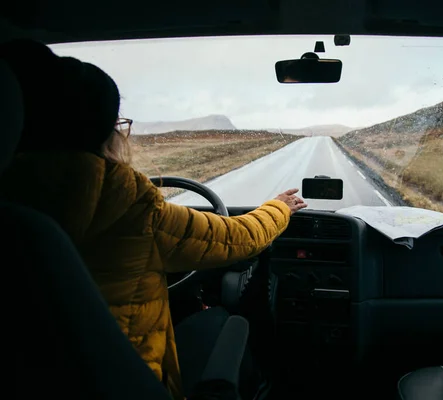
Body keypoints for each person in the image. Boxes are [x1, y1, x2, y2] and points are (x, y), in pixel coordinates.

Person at [0, 39, 307, 399]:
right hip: (126, 379)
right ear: (102, 134)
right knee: (227, 322)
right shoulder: (126, 202)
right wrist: (278, 209)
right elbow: (233, 239)